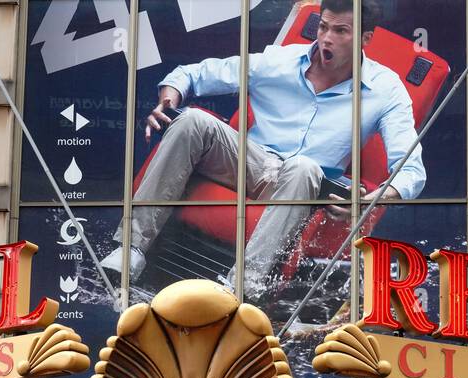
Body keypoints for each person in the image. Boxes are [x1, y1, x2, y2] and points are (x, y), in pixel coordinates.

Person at [98, 0, 426, 293]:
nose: (326, 38)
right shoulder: (279, 61)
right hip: (250, 162)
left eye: (341, 31)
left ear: (366, 39)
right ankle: (131, 249)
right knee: (193, 120)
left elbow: (411, 170)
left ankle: (243, 285)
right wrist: (170, 96)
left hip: (302, 185)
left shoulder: (386, 89)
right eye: (324, 27)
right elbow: (195, 73)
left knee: (304, 166)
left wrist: (369, 201)